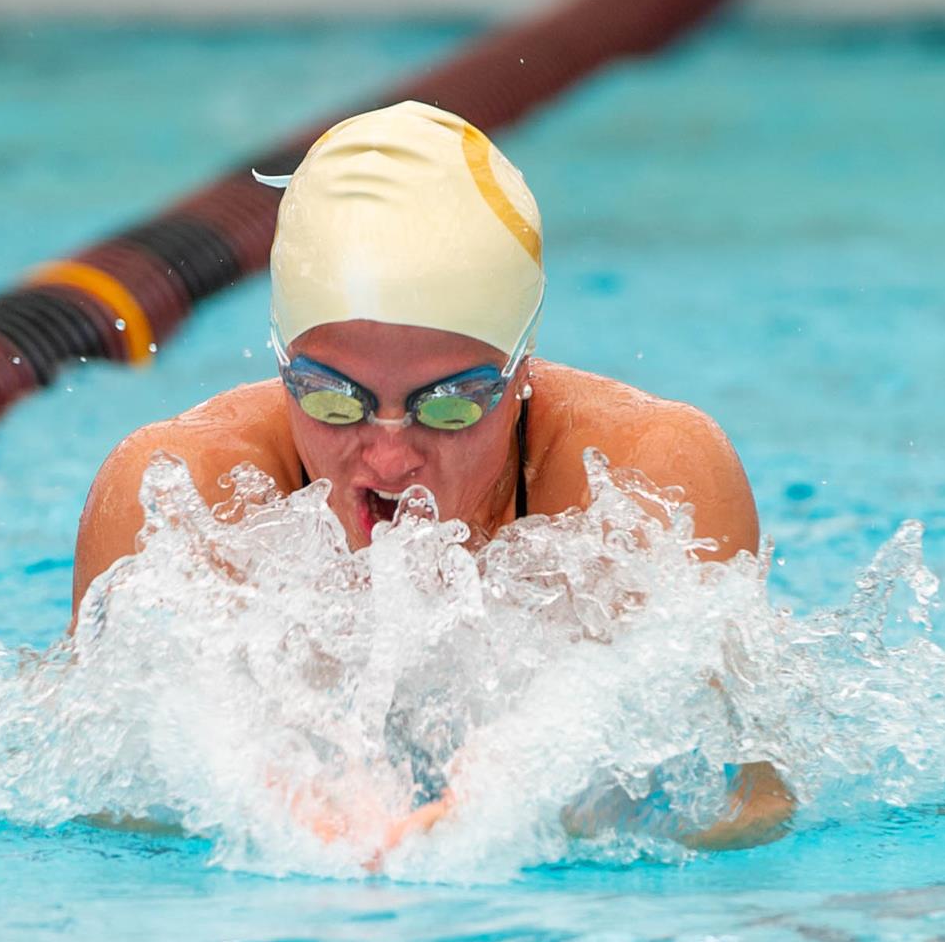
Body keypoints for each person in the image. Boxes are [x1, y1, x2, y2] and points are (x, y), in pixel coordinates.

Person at [70, 100, 792, 853]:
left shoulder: (642, 482)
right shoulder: (177, 495)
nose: (386, 459)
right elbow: (93, 782)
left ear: (519, 375)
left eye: (448, 407)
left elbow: (750, 799)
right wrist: (251, 801)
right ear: (282, 365)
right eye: (331, 398)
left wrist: (548, 799)